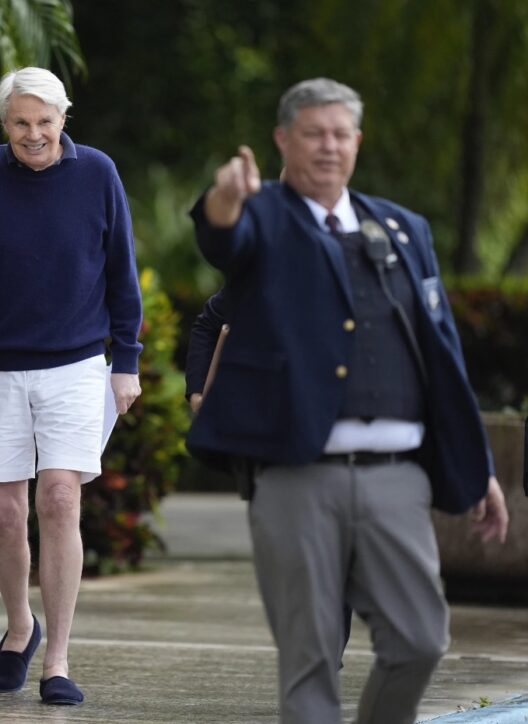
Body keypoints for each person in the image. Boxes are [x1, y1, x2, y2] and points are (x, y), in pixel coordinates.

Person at [188, 77, 509, 723]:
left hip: (398, 479)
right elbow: (224, 237)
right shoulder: (264, 215)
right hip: (297, 477)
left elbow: (440, 349)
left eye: (340, 134)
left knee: (420, 641)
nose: (329, 146)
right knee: (311, 661)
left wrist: (479, 467)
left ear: (357, 141)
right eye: (314, 133)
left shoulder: (402, 226)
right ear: (284, 140)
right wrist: (224, 200)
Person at [0, 66, 143, 706]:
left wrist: (125, 361)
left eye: (45, 122)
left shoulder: (98, 173)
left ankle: (57, 659)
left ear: (63, 119)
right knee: (0, 510)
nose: (33, 134)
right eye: (20, 123)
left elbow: (121, 274)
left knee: (58, 499)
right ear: (4, 124)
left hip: (77, 365)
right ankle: (20, 625)